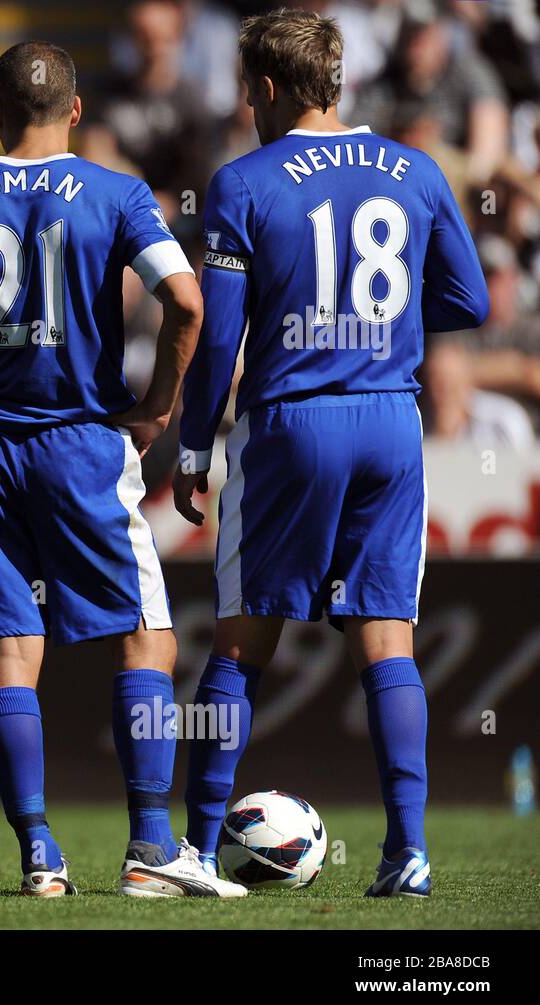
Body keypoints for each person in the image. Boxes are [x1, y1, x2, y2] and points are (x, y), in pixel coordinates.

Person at [0, 40, 244, 899]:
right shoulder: (118, 193)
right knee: (145, 634)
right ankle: (149, 846)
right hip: (82, 444)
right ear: (75, 113)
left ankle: (39, 855)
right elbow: (186, 301)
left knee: (10, 651)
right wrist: (159, 406)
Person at [173, 9, 490, 898]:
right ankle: (408, 852)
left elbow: (218, 335)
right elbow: (467, 300)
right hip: (392, 421)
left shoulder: (244, 182)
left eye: (248, 88)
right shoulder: (415, 169)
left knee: (239, 644)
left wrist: (195, 447)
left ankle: (197, 848)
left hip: (292, 425)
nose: (245, 101)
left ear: (267, 89)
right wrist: (374, 328)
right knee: (387, 640)